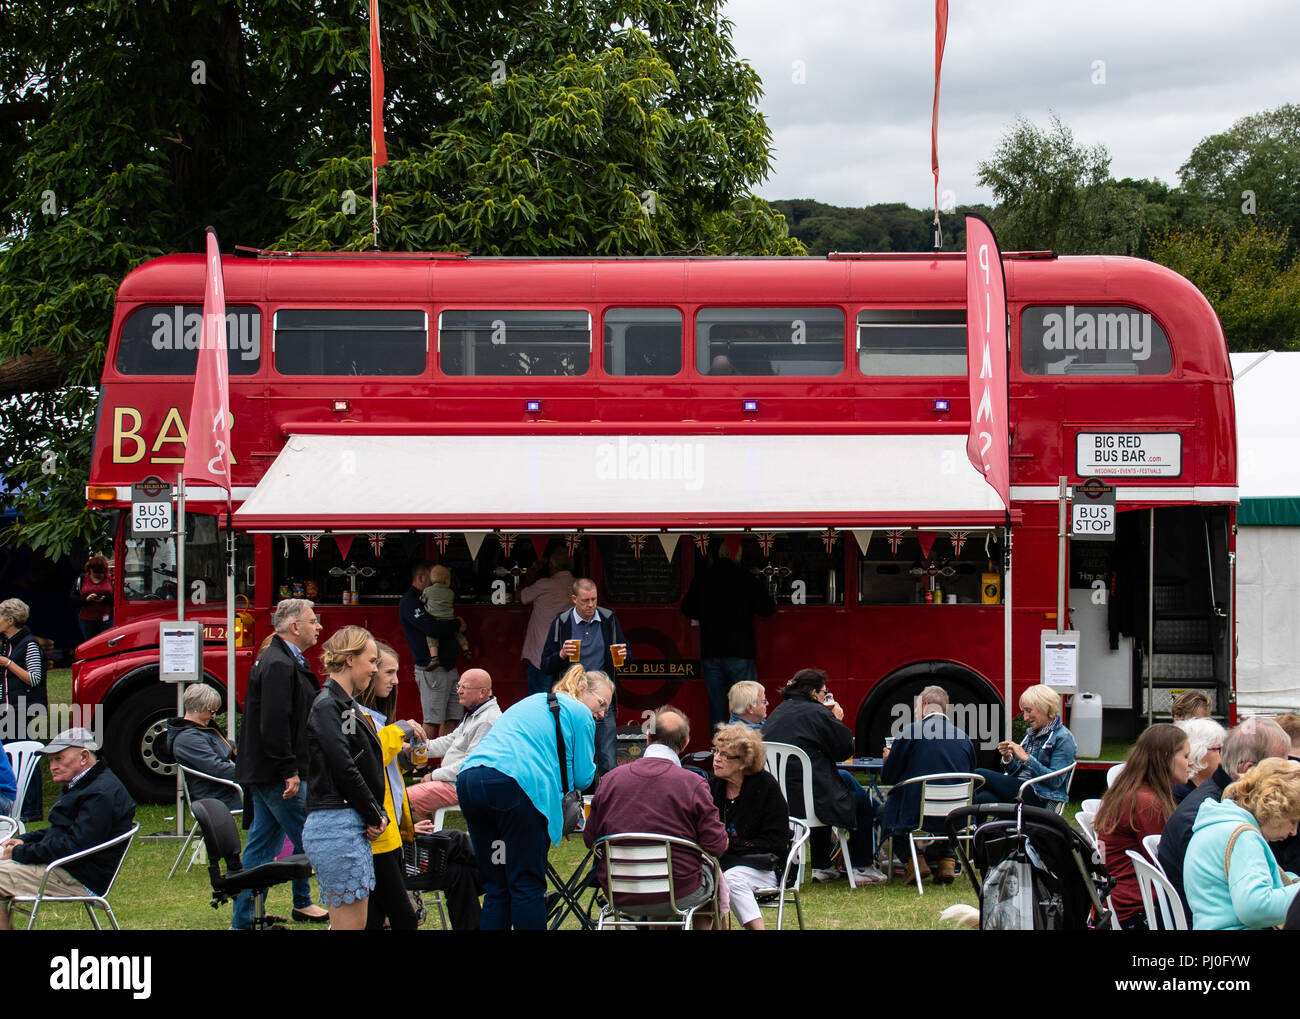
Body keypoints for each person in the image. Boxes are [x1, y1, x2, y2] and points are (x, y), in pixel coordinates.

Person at [457, 665, 609, 929]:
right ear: (583, 689)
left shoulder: (533, 700)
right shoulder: (581, 713)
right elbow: (584, 778)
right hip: (515, 787)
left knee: (497, 885)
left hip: (471, 782)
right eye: (602, 702)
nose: (603, 713)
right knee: (526, 884)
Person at [232, 598, 329, 928]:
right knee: (309, 837)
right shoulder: (278, 663)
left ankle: (244, 919)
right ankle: (301, 903)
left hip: (269, 769)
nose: (319, 627)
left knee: (261, 847)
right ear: (295, 626)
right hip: (276, 771)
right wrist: (289, 769)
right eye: (313, 621)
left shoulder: (281, 659)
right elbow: (274, 722)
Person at [584, 706, 729, 921]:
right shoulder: (693, 783)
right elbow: (716, 845)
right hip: (679, 891)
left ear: (648, 737)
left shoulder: (610, 780)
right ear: (686, 743)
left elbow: (590, 839)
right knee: (715, 883)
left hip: (620, 891)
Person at [0, 728, 135, 930]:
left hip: (76, 875)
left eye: (59, 759)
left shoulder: (99, 793)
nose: (52, 766)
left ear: (84, 757)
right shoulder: (86, 783)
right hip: (67, 867)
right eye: (51, 760)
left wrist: (19, 852)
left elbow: (74, 846)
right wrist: (25, 840)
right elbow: (61, 830)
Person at [762, 668, 885, 884]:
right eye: (823, 693)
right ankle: (861, 866)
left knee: (841, 780)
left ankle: (822, 865)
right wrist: (835, 719)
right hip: (813, 798)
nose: (824, 697)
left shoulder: (778, 713)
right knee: (862, 803)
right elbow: (845, 749)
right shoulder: (818, 713)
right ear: (813, 693)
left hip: (782, 799)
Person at [302, 626, 389, 931]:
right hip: (337, 823)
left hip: (343, 821)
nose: (375, 670)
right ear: (350, 659)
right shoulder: (329, 705)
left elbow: (355, 764)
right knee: (352, 923)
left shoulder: (341, 705)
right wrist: (374, 812)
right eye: (372, 661)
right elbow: (344, 767)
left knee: (348, 922)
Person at [1159, 716, 1291, 913]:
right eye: (1279, 772)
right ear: (1249, 770)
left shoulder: (1213, 805)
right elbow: (1254, 905)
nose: (1285, 781)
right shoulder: (1214, 817)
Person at [355, 641, 426, 930]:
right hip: (375, 834)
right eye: (388, 672)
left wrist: (404, 758)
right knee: (403, 917)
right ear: (368, 670)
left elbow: (380, 766)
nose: (396, 681)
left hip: (389, 831)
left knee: (375, 915)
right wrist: (401, 730)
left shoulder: (375, 718)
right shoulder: (353, 715)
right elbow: (366, 758)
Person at [1094, 724, 1191, 930]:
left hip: (1118, 902)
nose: (1190, 763)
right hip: (1138, 909)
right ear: (1166, 757)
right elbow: (1170, 863)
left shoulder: (1132, 789)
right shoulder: (1146, 802)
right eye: (1185, 756)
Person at [1184, 758, 1300, 929]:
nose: (1294, 831)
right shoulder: (1243, 836)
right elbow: (1256, 908)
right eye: (1293, 820)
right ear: (1276, 809)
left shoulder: (1219, 823)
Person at [881, 685, 977, 885]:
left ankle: (913, 860)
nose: (916, 712)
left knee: (888, 808)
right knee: (944, 810)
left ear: (925, 705)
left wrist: (888, 759)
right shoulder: (965, 738)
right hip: (957, 814)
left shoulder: (910, 732)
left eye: (916, 708)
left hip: (917, 813)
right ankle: (947, 860)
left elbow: (889, 777)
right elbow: (971, 776)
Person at [681, 538, 775, 731]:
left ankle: (719, 750)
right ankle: (745, 749)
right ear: (738, 554)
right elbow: (767, 608)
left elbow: (688, 609)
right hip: (741, 651)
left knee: (717, 706)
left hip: (711, 651)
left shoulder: (703, 578)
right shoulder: (746, 577)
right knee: (746, 705)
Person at [539, 578, 629, 777]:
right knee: (572, 756)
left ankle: (608, 801)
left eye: (594, 600)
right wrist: (561, 655)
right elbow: (545, 665)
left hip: (602, 699)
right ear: (574, 599)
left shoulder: (609, 618)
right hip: (572, 701)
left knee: (607, 757)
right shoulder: (561, 622)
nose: (591, 605)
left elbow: (625, 656)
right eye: (585, 600)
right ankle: (574, 803)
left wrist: (624, 656)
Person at [708, 723, 789, 930]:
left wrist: (731, 844)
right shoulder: (714, 785)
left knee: (730, 879)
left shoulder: (766, 787)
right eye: (716, 751)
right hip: (722, 863)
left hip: (764, 865)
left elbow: (776, 843)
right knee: (709, 877)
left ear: (744, 762)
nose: (717, 758)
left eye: (725, 755)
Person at [406, 667, 501, 820]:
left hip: (461, 785)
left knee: (403, 801)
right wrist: (415, 749)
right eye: (459, 686)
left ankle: (430, 841)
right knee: (405, 801)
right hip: (452, 781)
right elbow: (449, 741)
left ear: (483, 692)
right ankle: (432, 839)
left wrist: (433, 776)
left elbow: (471, 764)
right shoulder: (477, 713)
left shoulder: (487, 720)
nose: (458, 691)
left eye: (464, 687)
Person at [975, 684, 1076, 808]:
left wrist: (1027, 758)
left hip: (1040, 798)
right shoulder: (1033, 733)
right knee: (983, 797)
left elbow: (1055, 781)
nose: (1025, 718)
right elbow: (1018, 773)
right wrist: (1008, 758)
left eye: (1028, 711)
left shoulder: (1063, 738)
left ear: (1044, 707)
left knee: (979, 774)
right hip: (1024, 790)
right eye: (1024, 712)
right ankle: (973, 827)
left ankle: (949, 801)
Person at [398, 561, 465, 737]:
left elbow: (439, 623)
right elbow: (432, 628)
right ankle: (420, 764)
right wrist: (457, 624)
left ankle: (444, 762)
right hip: (431, 668)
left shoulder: (436, 598)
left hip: (450, 665)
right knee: (432, 721)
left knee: (452, 718)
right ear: (421, 578)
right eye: (433, 579)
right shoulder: (410, 602)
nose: (438, 584)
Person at [0, 598, 48, 821]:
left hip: (23, 708)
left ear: (10, 620)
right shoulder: (7, 643)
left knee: (24, 754)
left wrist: (8, 664)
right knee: (10, 755)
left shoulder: (28, 644)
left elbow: (34, 678)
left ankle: (31, 808)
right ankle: (17, 806)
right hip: (8, 709)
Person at [165, 683, 241, 812]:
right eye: (211, 711)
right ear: (197, 708)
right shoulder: (188, 739)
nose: (213, 716)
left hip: (226, 789)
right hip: (218, 796)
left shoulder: (198, 731)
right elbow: (216, 768)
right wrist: (250, 773)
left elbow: (228, 748)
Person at [519, 549, 576, 694]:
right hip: (568, 653)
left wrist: (532, 573)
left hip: (540, 654)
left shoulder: (543, 584)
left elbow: (521, 596)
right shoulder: (579, 586)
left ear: (552, 566)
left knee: (541, 701)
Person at [419, 564, 471, 665]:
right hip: (450, 619)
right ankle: (466, 650)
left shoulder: (428, 591)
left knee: (431, 637)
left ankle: (434, 657)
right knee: (458, 634)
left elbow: (422, 600)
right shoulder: (450, 592)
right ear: (447, 579)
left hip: (436, 619)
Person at [1173, 716, 1226, 803]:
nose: (1224, 755)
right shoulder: (1179, 795)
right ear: (1198, 752)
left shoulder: (1219, 786)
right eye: (1219, 749)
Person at [71, 554, 113, 641]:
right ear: (90, 570)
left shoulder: (111, 579)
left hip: (106, 618)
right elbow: (72, 598)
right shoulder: (82, 579)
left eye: (101, 573)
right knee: (90, 642)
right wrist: (86, 599)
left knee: (106, 641)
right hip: (87, 618)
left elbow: (117, 598)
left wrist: (105, 599)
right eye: (96, 572)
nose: (98, 575)